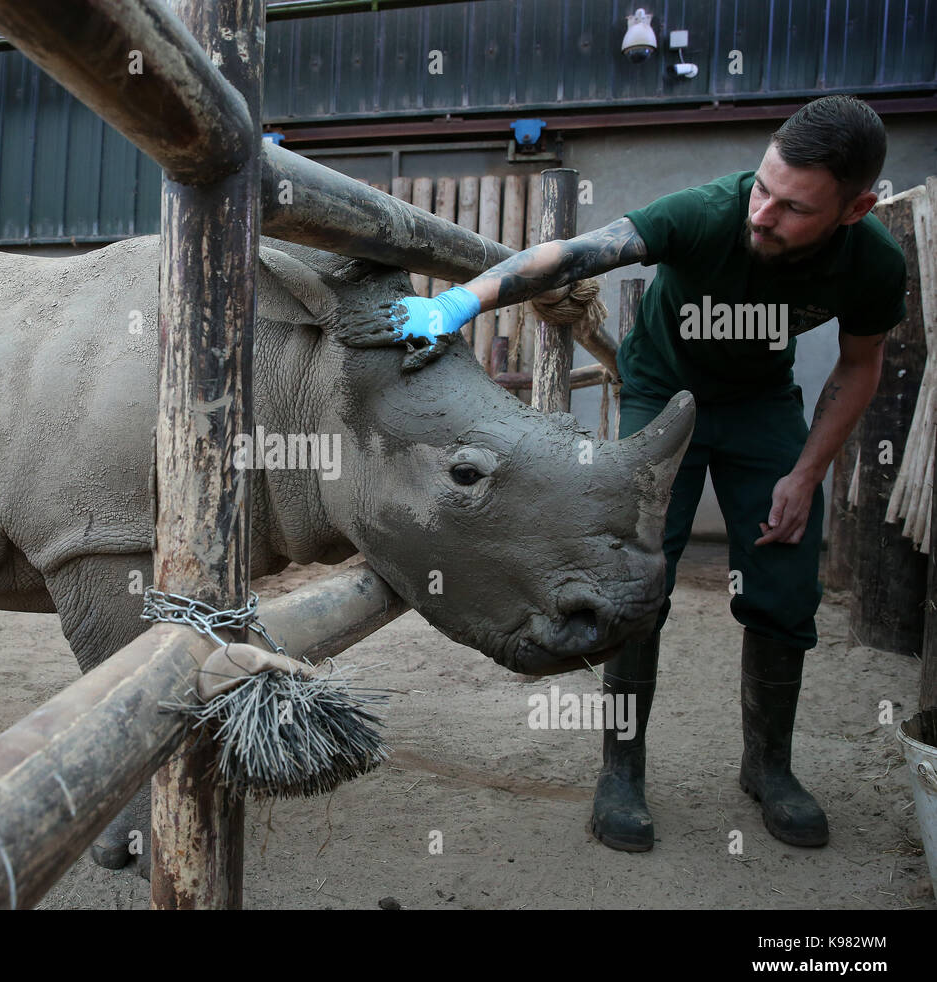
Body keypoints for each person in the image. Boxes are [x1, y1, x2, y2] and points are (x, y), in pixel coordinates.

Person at [354, 95, 906, 851]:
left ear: (855, 208)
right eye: (762, 188)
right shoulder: (708, 212)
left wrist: (808, 473)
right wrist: (460, 301)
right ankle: (621, 771)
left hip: (761, 402)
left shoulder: (874, 261)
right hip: (664, 387)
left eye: (792, 208)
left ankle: (769, 768)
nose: (762, 215)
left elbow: (860, 363)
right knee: (634, 576)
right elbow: (577, 255)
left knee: (784, 584)